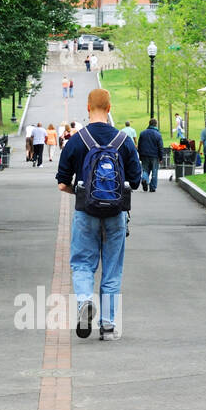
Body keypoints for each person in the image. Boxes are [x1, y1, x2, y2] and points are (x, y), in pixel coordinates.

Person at [57, 86, 141, 339]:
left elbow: (62, 182)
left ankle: (84, 302)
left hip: (85, 212)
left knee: (82, 263)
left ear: (87, 107)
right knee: (112, 269)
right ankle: (107, 325)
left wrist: (84, 194)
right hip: (116, 213)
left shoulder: (76, 141)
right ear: (110, 108)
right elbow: (135, 182)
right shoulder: (123, 141)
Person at [137, 118, 165, 193]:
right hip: (154, 156)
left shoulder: (142, 133)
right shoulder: (158, 134)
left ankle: (144, 179)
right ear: (156, 124)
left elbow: (139, 145)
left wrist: (140, 155)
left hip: (144, 155)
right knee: (154, 171)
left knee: (145, 170)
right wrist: (161, 157)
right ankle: (152, 187)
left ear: (149, 124)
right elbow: (160, 147)